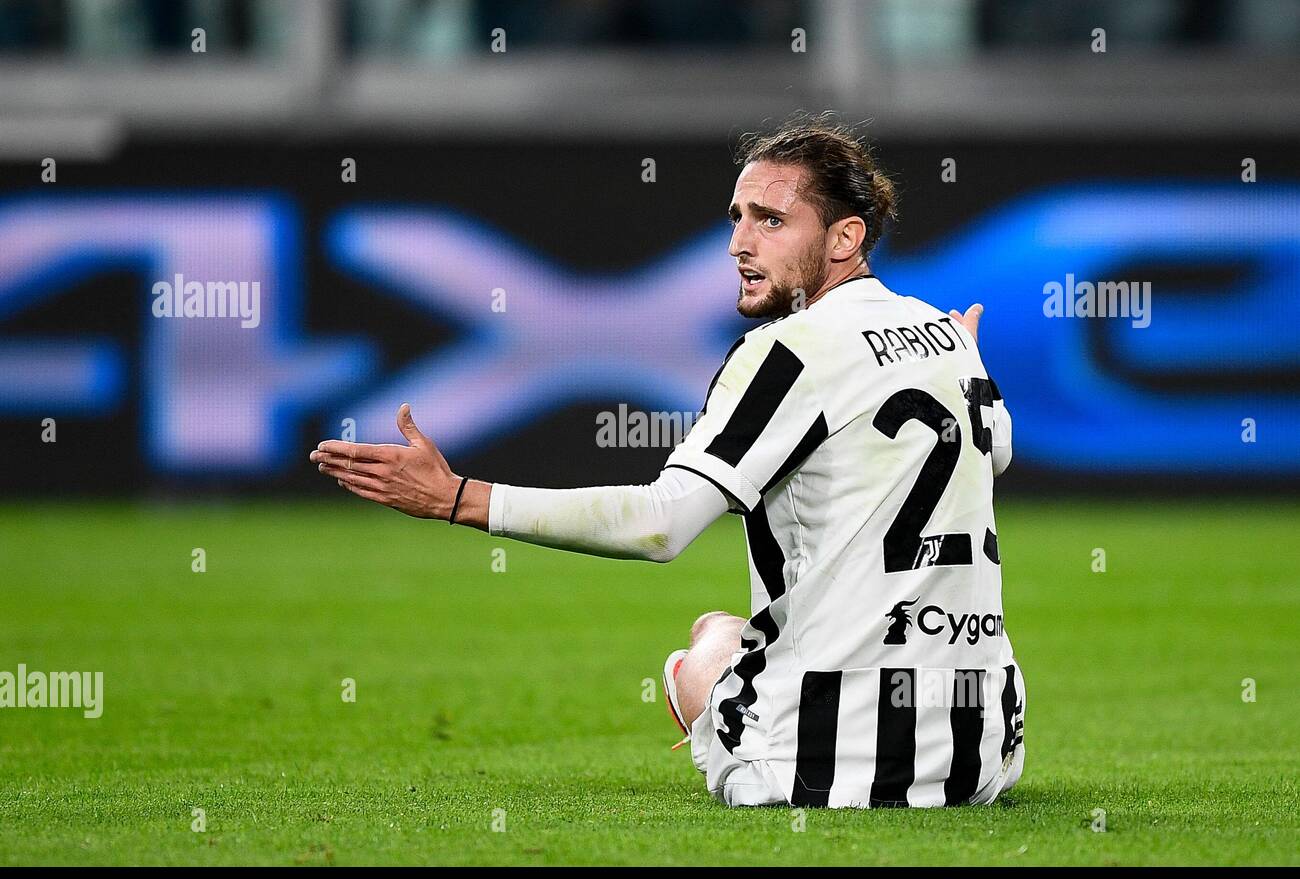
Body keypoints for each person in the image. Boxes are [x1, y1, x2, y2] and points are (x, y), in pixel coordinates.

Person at [309, 117, 1024, 808]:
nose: (739, 243)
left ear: (846, 238)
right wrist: (963, 358)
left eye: (770, 220)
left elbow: (661, 525)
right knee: (751, 628)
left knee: (709, 642)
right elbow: (995, 454)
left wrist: (459, 497)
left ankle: (720, 701)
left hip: (825, 762)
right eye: (737, 216)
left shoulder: (790, 349)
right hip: (983, 754)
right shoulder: (944, 336)